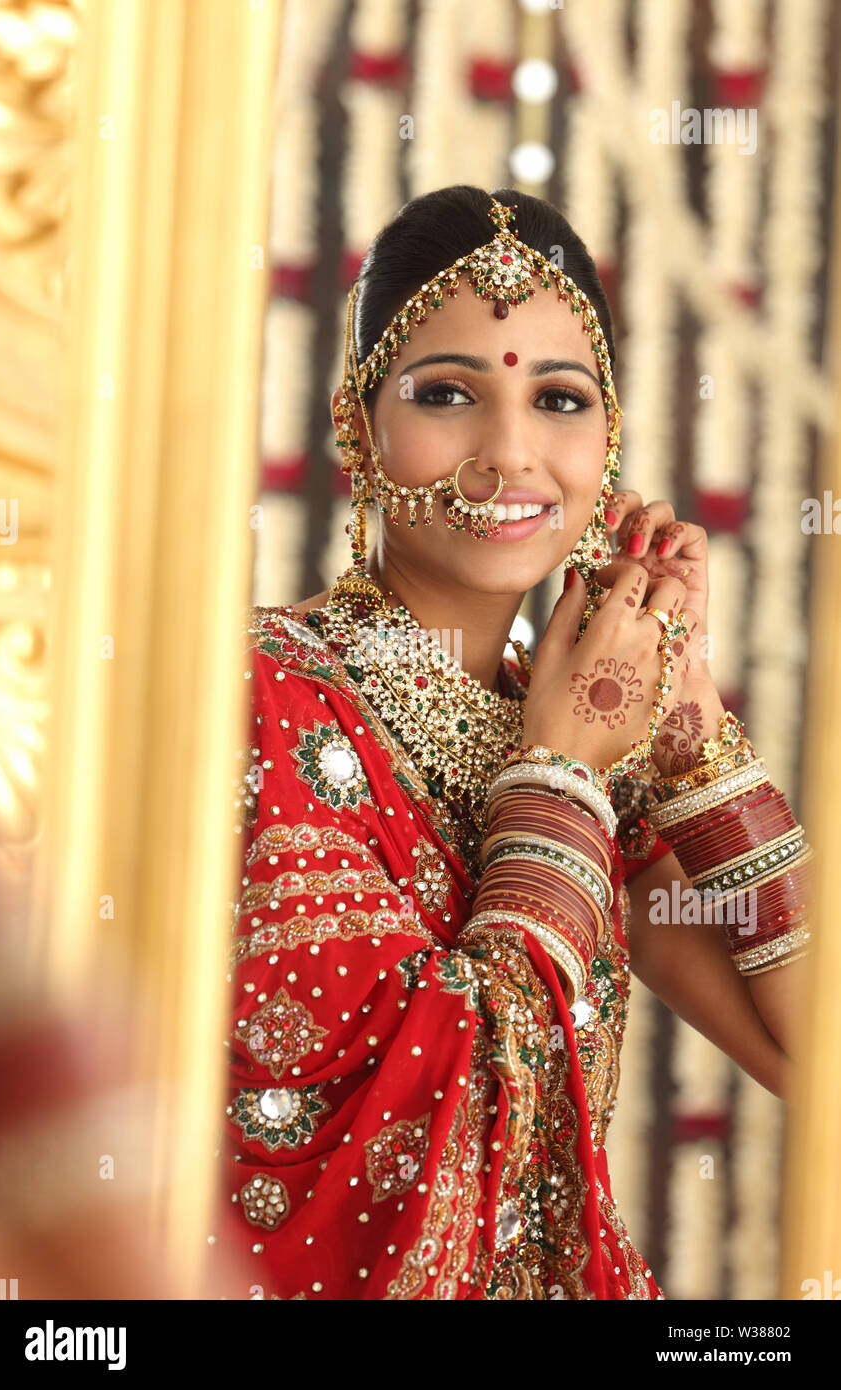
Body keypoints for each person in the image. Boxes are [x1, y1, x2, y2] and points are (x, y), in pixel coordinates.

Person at [203, 186, 811, 1301]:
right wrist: (563, 774)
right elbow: (435, 1111)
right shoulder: (257, 697)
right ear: (357, 420)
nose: (508, 452)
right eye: (447, 393)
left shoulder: (570, 725)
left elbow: (817, 1062)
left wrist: (684, 724)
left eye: (560, 399)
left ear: (609, 443)